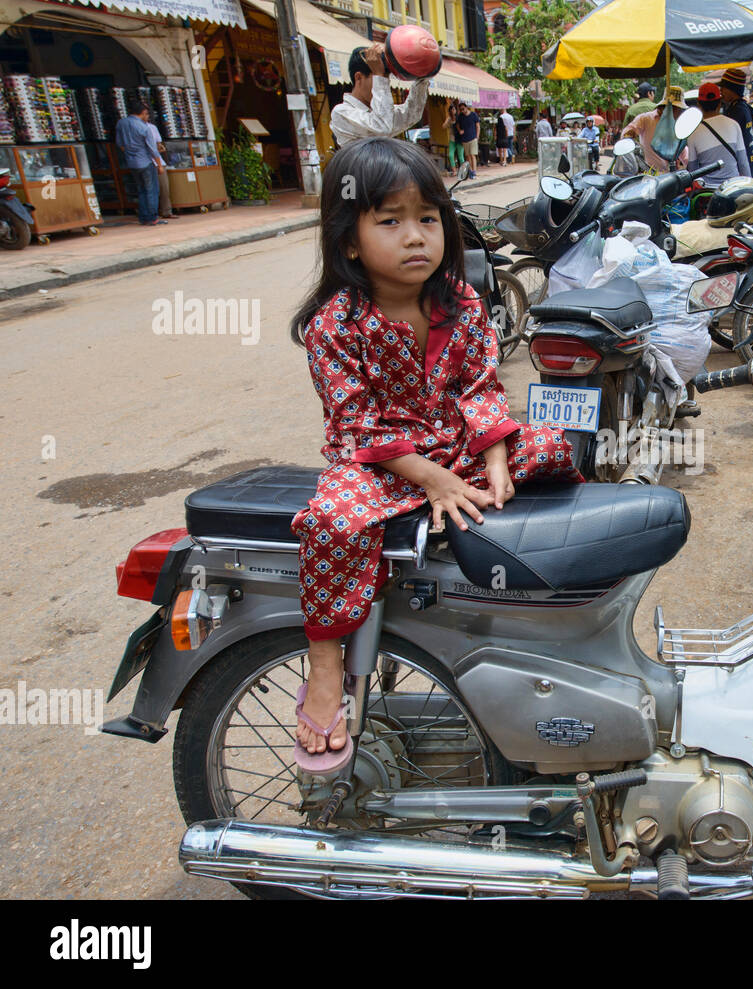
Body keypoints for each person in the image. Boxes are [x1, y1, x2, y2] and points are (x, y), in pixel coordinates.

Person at [287, 137, 582, 769]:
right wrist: (432, 480)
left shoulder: (465, 302)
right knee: (330, 522)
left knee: (553, 445)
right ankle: (323, 665)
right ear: (348, 240)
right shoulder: (333, 323)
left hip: (460, 446)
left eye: (427, 219)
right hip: (381, 462)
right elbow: (356, 423)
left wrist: (497, 457)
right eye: (389, 221)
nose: (415, 236)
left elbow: (479, 388)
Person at [331, 45, 431, 147]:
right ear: (359, 77)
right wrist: (379, 74)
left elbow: (411, 114)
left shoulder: (382, 112)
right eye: (379, 79)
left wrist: (423, 76)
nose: (385, 85)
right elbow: (382, 127)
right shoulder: (341, 112)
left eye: (386, 80)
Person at [685, 83, 749, 187]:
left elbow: (693, 170)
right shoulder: (734, 125)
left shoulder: (693, 133)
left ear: (699, 104)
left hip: (707, 193)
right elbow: (743, 164)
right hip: (732, 188)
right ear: (719, 103)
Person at [115, 99, 163, 226]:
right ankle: (152, 217)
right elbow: (152, 149)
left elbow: (120, 144)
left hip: (131, 162)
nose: (147, 116)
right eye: (146, 114)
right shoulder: (144, 127)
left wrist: (130, 153)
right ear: (142, 112)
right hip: (145, 161)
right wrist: (159, 165)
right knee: (151, 190)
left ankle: (143, 217)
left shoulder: (121, 123)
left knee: (141, 190)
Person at [621, 85, 687, 171]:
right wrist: (629, 136)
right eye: (676, 109)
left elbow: (684, 153)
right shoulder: (645, 119)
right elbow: (627, 132)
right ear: (666, 107)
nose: (678, 113)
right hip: (648, 174)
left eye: (679, 110)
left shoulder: (677, 126)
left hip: (670, 176)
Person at [718, 68, 753, 181]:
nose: (721, 90)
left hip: (741, 171)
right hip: (747, 167)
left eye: (724, 87)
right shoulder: (744, 108)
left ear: (733, 90)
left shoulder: (736, 111)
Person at [144, 116, 173, 219]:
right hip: (145, 162)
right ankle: (152, 214)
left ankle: (166, 211)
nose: (147, 116)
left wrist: (160, 148)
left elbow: (159, 145)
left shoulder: (152, 128)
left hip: (158, 161)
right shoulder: (135, 128)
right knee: (149, 189)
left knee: (164, 187)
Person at [457, 102, 480, 178]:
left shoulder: (473, 115)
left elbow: (477, 126)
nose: (462, 111)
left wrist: (477, 136)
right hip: (465, 139)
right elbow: (457, 124)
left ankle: (474, 171)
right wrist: (460, 130)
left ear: (466, 107)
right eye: (461, 110)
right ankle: (470, 171)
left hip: (473, 138)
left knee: (473, 155)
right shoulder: (460, 116)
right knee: (468, 156)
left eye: (463, 109)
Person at [442, 101, 463, 176]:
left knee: (460, 156)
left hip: (459, 139)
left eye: (454, 109)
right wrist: (448, 121)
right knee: (450, 155)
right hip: (452, 139)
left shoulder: (459, 118)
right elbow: (444, 126)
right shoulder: (449, 119)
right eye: (451, 110)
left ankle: (463, 171)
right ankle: (454, 170)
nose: (453, 111)